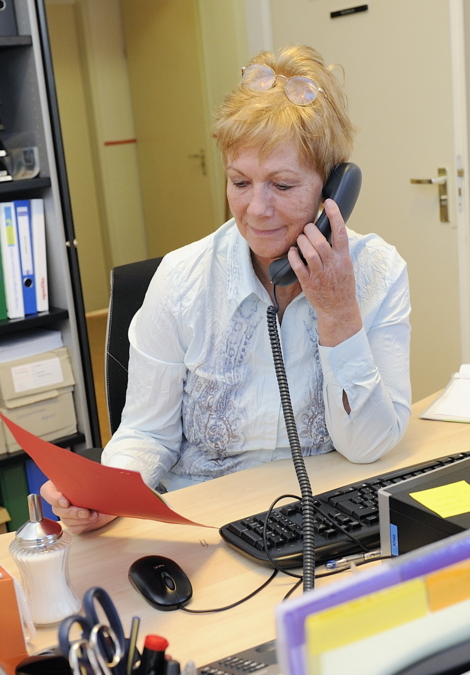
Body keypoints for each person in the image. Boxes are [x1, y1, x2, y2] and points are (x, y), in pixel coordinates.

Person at [42, 45, 411, 533]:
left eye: (282, 186)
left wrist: (338, 311)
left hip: (327, 520)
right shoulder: (180, 280)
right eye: (240, 182)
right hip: (204, 526)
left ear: (333, 189)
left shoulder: (378, 271)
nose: (256, 209)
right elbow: (147, 432)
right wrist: (106, 494)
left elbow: (368, 445)